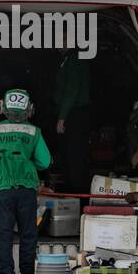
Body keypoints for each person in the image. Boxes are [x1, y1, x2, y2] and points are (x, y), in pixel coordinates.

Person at [0, 88, 52, 274]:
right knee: (28, 236)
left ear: (2, 107)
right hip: (27, 193)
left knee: (3, 237)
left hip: (3, 193)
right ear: (29, 109)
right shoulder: (34, 132)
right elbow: (45, 161)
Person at [55, 51, 92, 193]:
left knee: (74, 156)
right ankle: (75, 192)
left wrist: (62, 117)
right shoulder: (67, 59)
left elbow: (72, 90)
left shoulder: (75, 59)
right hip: (74, 113)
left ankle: (76, 194)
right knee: (73, 155)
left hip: (75, 114)